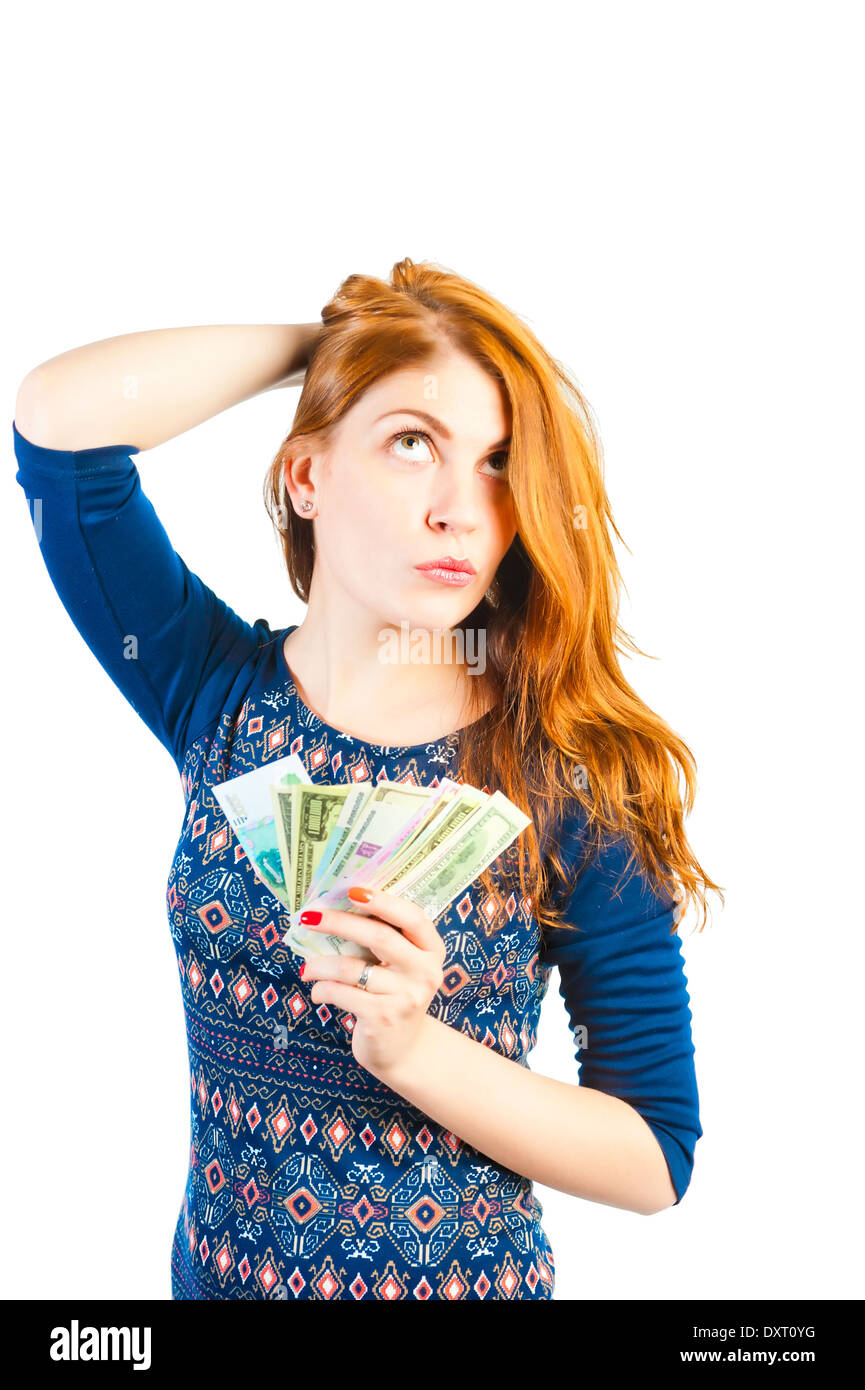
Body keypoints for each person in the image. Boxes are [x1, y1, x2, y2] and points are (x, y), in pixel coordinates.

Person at [13, 257, 721, 1301]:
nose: (460, 510)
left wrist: (414, 1049)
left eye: (496, 463)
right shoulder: (211, 689)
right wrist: (336, 344)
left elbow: (655, 1157)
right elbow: (58, 430)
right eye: (410, 443)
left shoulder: (568, 779)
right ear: (306, 475)